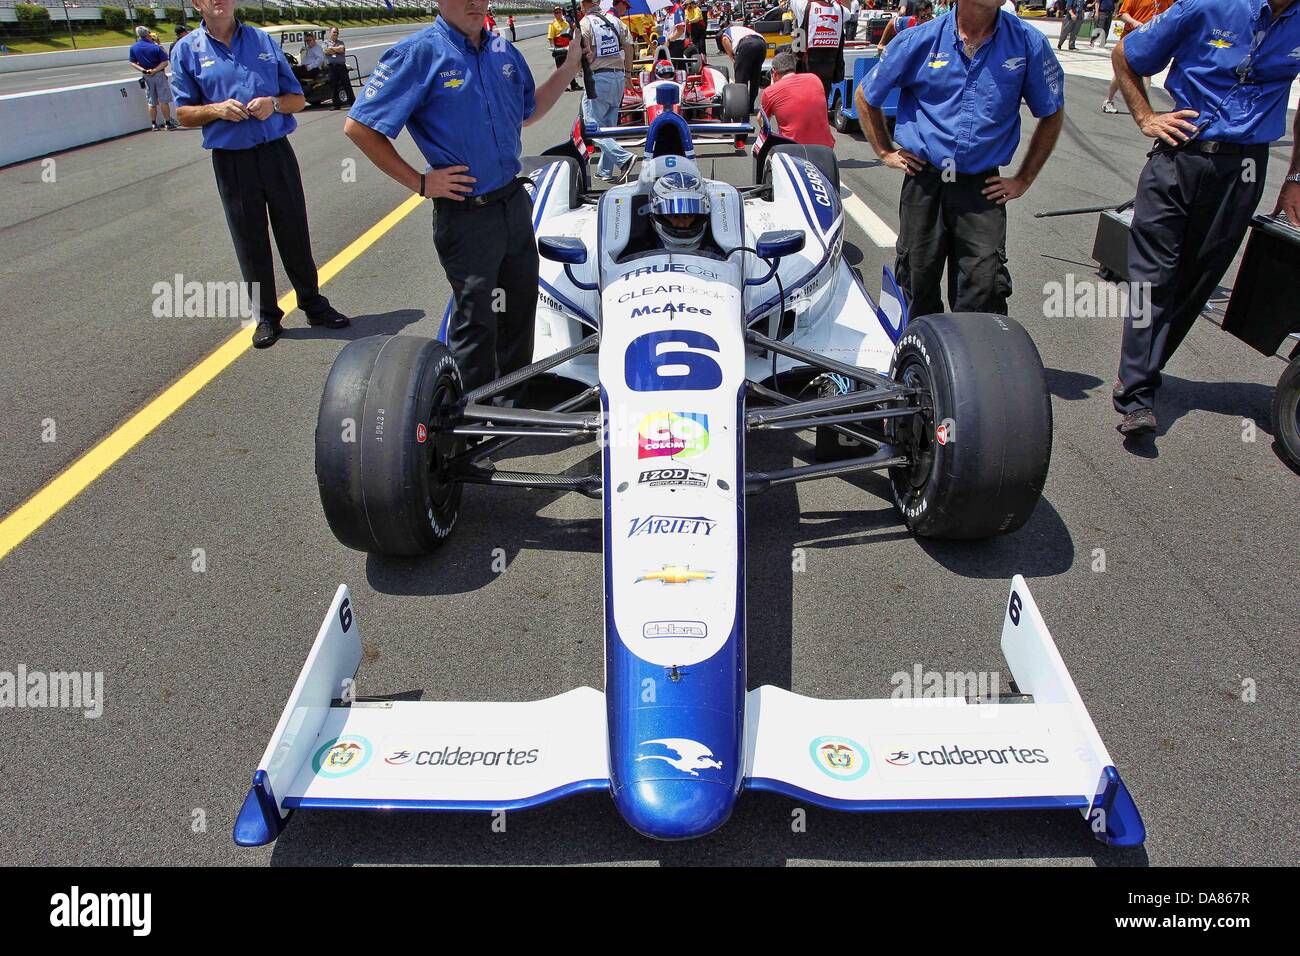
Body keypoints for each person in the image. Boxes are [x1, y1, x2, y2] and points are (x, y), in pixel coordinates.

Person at [343, 0, 588, 396]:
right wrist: (420, 183)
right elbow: (359, 127)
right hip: (467, 215)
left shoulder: (502, 51)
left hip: (513, 204)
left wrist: (569, 67)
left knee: (519, 310)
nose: (476, 2)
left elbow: (529, 111)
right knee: (477, 324)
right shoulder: (420, 54)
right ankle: (464, 429)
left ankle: (511, 404)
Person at [1109, 0, 1300, 437]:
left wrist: (1296, 177)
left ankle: (1146, 369)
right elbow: (1125, 55)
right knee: (1153, 277)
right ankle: (1136, 393)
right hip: (1179, 157)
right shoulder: (1208, 5)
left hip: (1244, 170)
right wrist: (1145, 116)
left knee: (1197, 279)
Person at [856, 0, 1065, 317]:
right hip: (926, 182)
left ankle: (972, 361)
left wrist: (1023, 179)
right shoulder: (918, 40)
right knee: (916, 279)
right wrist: (885, 152)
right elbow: (866, 95)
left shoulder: (1027, 42)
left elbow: (1051, 111)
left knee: (983, 291)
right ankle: (919, 358)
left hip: (981, 188)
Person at [171, 0, 349, 348]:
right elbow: (182, 113)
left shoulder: (262, 41)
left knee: (294, 228)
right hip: (231, 158)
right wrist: (214, 109)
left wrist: (275, 104)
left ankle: (312, 303)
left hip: (275, 151)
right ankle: (267, 315)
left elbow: (296, 98)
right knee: (249, 239)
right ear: (197, 4)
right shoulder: (186, 51)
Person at [581, 0, 637, 183]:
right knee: (608, 128)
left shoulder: (585, 23)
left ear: (583, 4)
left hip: (598, 79)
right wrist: (628, 73)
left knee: (592, 128)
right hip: (618, 78)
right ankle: (604, 171)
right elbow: (630, 46)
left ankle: (624, 158)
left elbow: (580, 53)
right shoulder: (615, 20)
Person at [1102, 0, 1173, 113]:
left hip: (1150, 38)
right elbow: (1123, 14)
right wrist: (1134, 22)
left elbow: (1171, 14)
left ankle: (1143, 106)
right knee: (1122, 71)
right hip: (1131, 36)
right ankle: (1109, 100)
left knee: (1146, 73)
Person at [759, 50, 835, 147]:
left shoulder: (770, 92)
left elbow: (762, 121)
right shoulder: (814, 79)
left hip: (794, 151)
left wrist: (771, 85)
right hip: (826, 148)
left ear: (774, 72)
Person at [791, 0, 845, 97]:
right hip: (829, 68)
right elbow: (849, 10)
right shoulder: (840, 10)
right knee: (823, 99)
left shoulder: (803, 5)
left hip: (807, 68)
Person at [129, 26, 177, 131]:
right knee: (163, 100)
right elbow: (164, 62)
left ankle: (154, 124)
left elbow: (132, 62)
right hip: (158, 74)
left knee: (151, 101)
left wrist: (144, 70)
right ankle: (168, 122)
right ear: (147, 34)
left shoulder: (134, 47)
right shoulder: (156, 47)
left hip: (146, 75)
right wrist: (155, 70)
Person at [720, 19, 766, 111]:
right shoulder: (744, 29)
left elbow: (725, 40)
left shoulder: (727, 31)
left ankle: (741, 107)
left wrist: (732, 57)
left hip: (746, 44)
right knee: (755, 78)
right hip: (761, 44)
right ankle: (751, 105)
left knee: (741, 79)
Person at [548, 5, 581, 91]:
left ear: (562, 13)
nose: (558, 14)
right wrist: (553, 49)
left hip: (567, 47)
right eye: (556, 13)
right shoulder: (552, 25)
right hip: (559, 48)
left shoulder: (566, 23)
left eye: (559, 12)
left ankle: (574, 85)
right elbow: (551, 38)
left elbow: (571, 32)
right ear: (554, 14)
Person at [323, 27, 354, 111]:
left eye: (337, 32)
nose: (335, 34)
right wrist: (337, 50)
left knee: (347, 85)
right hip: (332, 67)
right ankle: (336, 105)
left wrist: (332, 49)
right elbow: (326, 51)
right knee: (334, 86)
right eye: (334, 32)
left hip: (341, 66)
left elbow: (342, 50)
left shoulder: (341, 42)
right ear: (330, 33)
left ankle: (352, 103)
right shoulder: (325, 42)